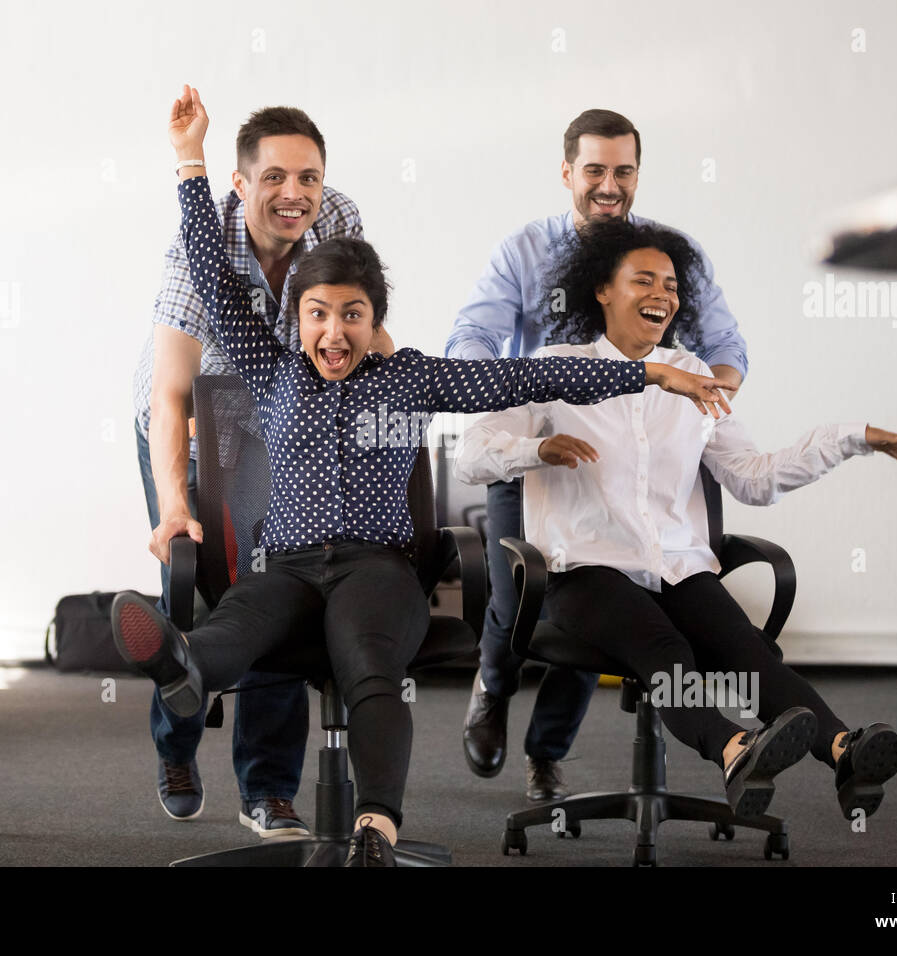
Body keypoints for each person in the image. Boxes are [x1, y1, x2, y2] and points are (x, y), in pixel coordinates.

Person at [110, 85, 734, 866]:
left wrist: (646, 377)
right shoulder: (270, 372)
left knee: (370, 668)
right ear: (295, 320)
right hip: (291, 569)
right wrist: (187, 160)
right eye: (318, 315)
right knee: (232, 629)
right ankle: (184, 667)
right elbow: (207, 260)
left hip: (378, 569)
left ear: (375, 321)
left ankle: (376, 824)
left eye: (351, 314)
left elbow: (529, 381)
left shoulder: (409, 378)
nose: (334, 332)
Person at [453, 217, 897, 820]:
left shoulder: (694, 378)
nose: (662, 295)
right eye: (643, 280)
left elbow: (753, 476)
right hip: (583, 570)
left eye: (670, 286)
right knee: (664, 648)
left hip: (673, 565)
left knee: (746, 651)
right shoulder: (556, 367)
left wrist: (855, 437)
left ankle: (842, 749)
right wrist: (535, 449)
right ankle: (732, 748)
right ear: (602, 290)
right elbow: (468, 455)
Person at [446, 108, 750, 801]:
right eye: (594, 171)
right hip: (541, 448)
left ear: (637, 175)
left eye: (623, 171)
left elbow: (728, 350)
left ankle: (546, 751)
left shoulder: (664, 256)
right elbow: (473, 336)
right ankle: (493, 688)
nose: (609, 186)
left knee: (598, 597)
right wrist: (502, 406)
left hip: (629, 459)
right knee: (518, 596)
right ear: (567, 174)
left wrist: (707, 403)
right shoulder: (523, 251)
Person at [131, 103, 392, 834]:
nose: (293, 192)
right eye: (274, 176)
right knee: (189, 580)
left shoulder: (338, 218)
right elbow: (170, 393)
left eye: (307, 176)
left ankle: (267, 789)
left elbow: (361, 325)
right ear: (241, 184)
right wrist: (175, 505)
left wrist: (405, 398)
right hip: (189, 428)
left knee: (279, 579)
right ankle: (177, 746)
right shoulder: (200, 245)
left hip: (280, 428)